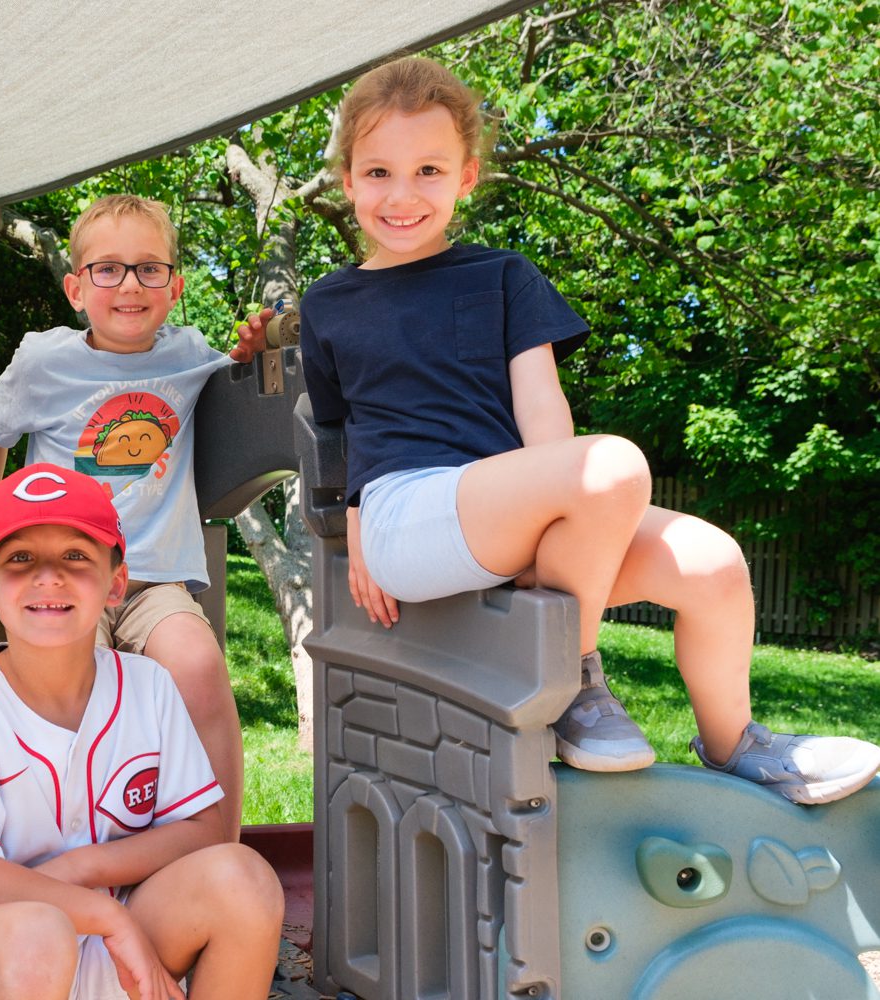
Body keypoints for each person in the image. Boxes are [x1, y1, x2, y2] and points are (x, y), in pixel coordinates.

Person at [290, 56, 880, 804]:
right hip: (411, 516)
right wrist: (354, 523)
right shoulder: (329, 301)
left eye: (429, 170)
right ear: (346, 181)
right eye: (378, 173)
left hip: (518, 512)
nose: (402, 195)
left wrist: (564, 514)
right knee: (612, 467)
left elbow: (541, 407)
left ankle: (735, 742)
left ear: (466, 177)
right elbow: (338, 426)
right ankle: (575, 682)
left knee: (715, 562)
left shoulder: (504, 276)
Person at [0, 464, 284, 1000]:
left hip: (113, 939)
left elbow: (202, 829)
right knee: (37, 935)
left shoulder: (148, 685)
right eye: (20, 558)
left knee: (244, 880)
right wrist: (103, 913)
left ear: (115, 583)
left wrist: (83, 871)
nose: (48, 576)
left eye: (75, 556)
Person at [0, 195, 264, 841]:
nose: (130, 284)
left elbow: (237, 378)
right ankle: (68, 848)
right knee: (74, 686)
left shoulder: (188, 354)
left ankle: (219, 848)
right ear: (76, 288)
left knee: (201, 668)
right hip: (68, 579)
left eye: (149, 269)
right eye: (108, 269)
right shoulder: (46, 363)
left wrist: (254, 349)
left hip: (152, 580)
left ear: (175, 287)